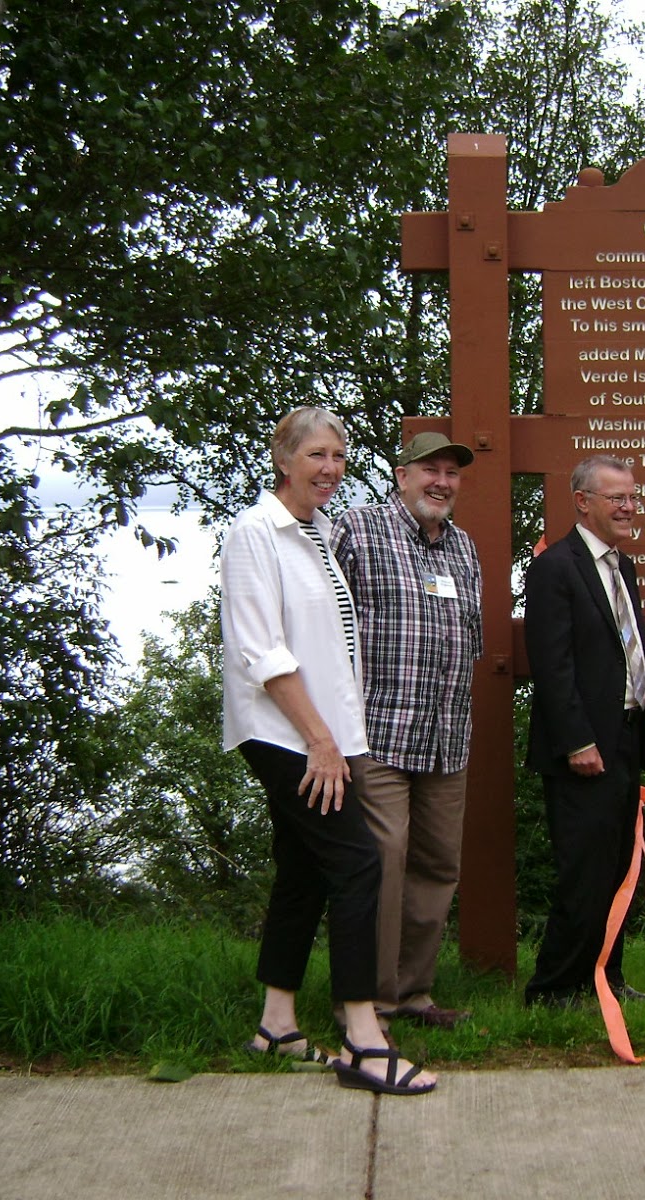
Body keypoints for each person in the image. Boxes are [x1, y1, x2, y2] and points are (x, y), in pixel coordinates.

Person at [220, 406, 436, 1095]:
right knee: (357, 863)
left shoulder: (315, 534)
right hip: (284, 733)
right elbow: (262, 650)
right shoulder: (255, 533)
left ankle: (276, 1024)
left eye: (339, 456)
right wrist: (319, 741)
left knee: (304, 872)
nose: (331, 469)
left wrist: (336, 737)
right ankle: (363, 1038)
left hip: (321, 735)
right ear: (284, 460)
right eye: (316, 455)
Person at [522, 455, 645, 1007]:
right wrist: (577, 741)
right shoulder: (555, 568)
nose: (629, 507)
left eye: (633, 496)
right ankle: (553, 989)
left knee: (620, 869)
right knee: (584, 873)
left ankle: (606, 979)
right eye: (617, 497)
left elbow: (635, 652)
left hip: (626, 739)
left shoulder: (623, 568)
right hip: (582, 749)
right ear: (583, 502)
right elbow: (552, 667)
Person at [330, 431, 482, 1030]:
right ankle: (366, 1002)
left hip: (446, 736)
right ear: (401, 475)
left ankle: (414, 995)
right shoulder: (357, 529)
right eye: (429, 470)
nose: (441, 482)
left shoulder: (465, 548)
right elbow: (318, 625)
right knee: (382, 864)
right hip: (377, 735)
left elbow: (471, 637)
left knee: (438, 867)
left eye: (451, 473)